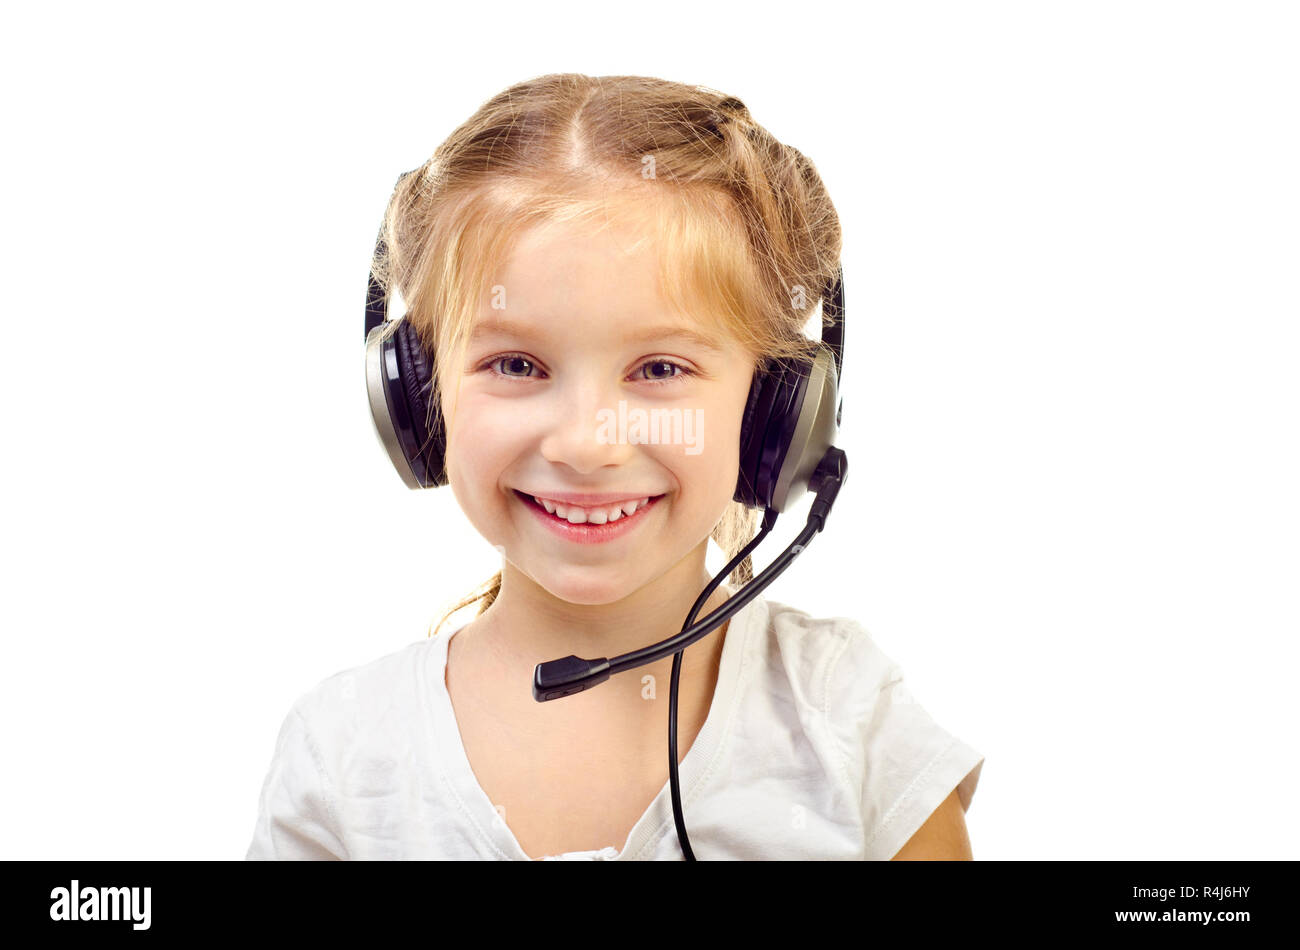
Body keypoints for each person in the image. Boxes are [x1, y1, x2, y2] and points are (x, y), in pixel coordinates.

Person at [244, 73, 984, 861]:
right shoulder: (343, 759)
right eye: (518, 364)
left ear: (778, 411)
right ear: (417, 398)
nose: (587, 443)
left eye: (660, 370)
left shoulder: (848, 719)